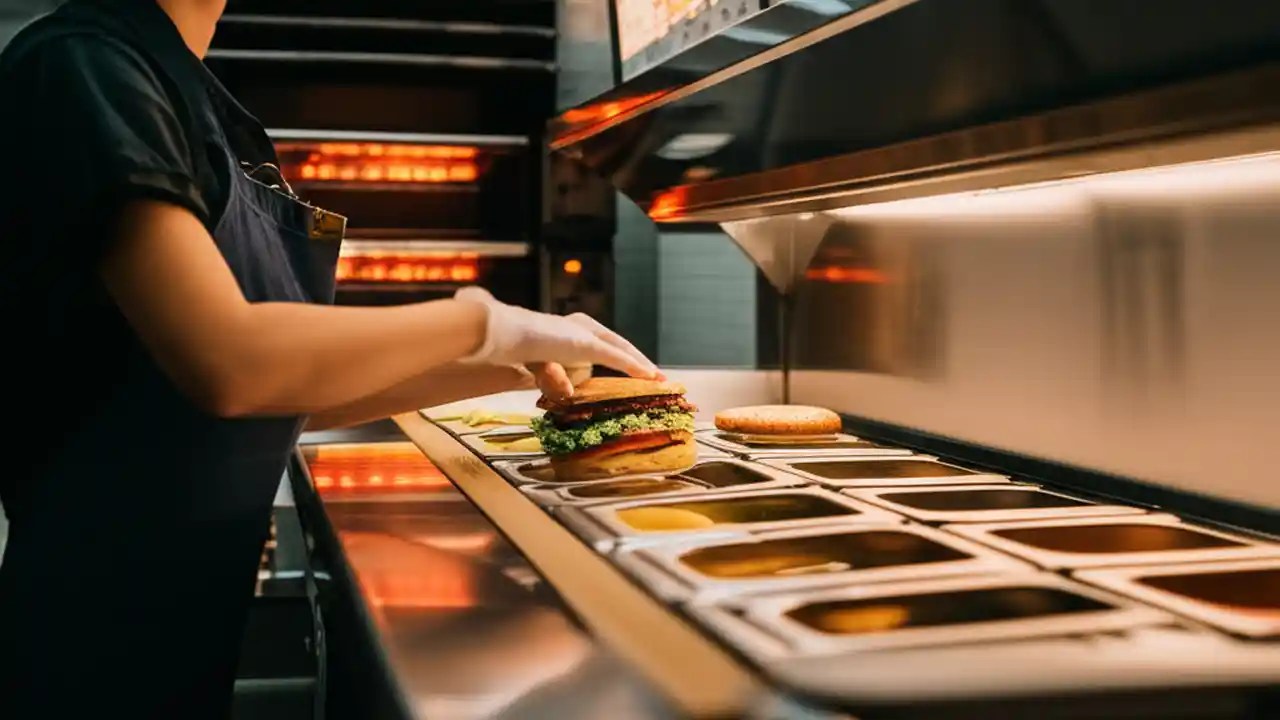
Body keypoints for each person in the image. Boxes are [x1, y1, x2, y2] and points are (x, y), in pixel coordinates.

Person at [0, 0, 658, 716]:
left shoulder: (191, 95)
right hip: (90, 638)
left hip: (186, 624)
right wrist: (485, 324)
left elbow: (285, 391)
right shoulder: (83, 66)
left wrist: (510, 365)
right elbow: (232, 364)